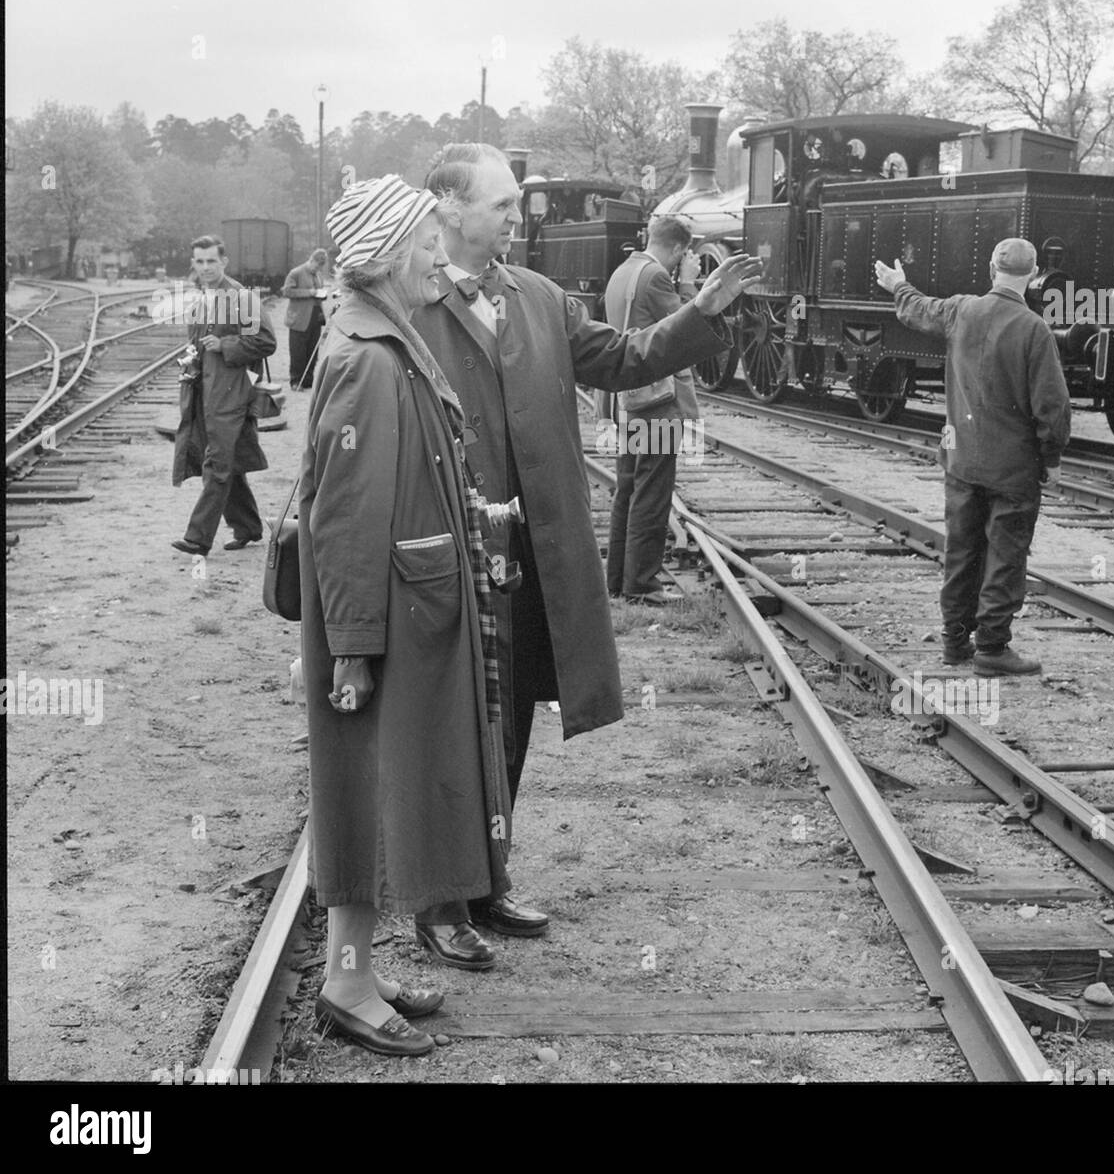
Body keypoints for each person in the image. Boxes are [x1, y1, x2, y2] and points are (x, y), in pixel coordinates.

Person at [409, 142, 763, 968]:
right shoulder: (412, 304)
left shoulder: (537, 297)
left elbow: (624, 358)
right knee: (453, 720)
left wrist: (702, 312)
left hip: (535, 547)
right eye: (500, 204)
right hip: (456, 552)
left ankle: (488, 880)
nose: (514, 217)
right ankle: (439, 901)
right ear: (450, 209)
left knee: (517, 711)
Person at [300, 174, 512, 1057]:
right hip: (379, 623)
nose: (441, 252)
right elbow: (344, 519)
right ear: (388, 256)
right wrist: (352, 649)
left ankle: (355, 968)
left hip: (404, 610)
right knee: (363, 797)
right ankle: (346, 986)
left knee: (381, 795)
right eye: (428, 240)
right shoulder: (363, 357)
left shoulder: (383, 336)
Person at [874, 238, 1071, 676]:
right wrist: (1052, 458)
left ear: (990, 268)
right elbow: (1052, 407)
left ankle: (954, 641)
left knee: (961, 548)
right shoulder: (1033, 329)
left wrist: (898, 285)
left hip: (960, 459)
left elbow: (917, 309)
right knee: (1005, 552)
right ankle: (993, 648)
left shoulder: (962, 310)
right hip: (1012, 468)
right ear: (1034, 274)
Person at [597, 215, 701, 603]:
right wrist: (689, 283)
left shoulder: (623, 271)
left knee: (628, 487)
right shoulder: (657, 277)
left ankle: (619, 580)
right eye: (683, 255)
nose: (682, 262)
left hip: (626, 398)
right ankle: (642, 583)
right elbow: (689, 330)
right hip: (656, 403)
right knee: (652, 492)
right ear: (677, 248)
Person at [171, 236, 277, 556]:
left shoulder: (241, 298)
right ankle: (248, 527)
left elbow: (266, 342)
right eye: (199, 261)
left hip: (232, 394)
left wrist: (225, 346)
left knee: (216, 463)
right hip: (205, 391)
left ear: (224, 261)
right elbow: (200, 340)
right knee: (228, 461)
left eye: (211, 261)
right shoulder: (203, 296)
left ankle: (198, 538)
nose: (205, 267)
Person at [283, 247, 330, 388]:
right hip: (299, 318)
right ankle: (296, 381)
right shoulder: (296, 273)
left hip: (315, 318)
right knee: (298, 351)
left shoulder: (318, 275)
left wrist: (323, 294)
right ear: (311, 260)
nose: (317, 269)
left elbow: (317, 293)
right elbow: (287, 291)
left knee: (312, 351)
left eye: (320, 267)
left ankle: (307, 380)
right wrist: (308, 292)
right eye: (316, 266)